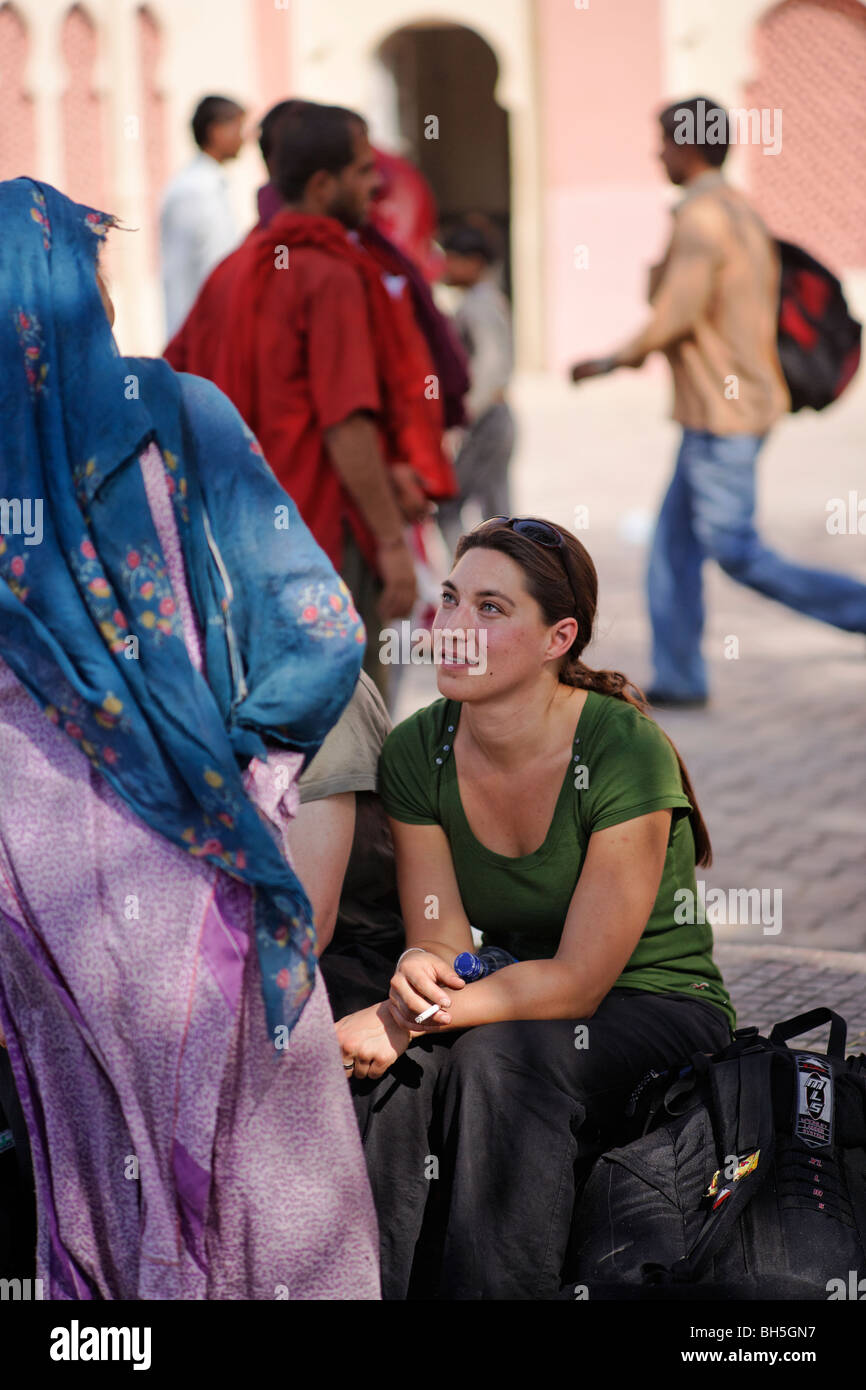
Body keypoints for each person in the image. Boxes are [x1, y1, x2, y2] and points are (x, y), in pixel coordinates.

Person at [0, 177, 380, 1300]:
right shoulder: (173, 412)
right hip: (192, 843)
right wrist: (258, 768)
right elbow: (318, 623)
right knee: (267, 1157)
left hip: (27, 879)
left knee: (92, 1149)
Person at [334, 515, 734, 1299]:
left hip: (654, 999)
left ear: (559, 638)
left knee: (498, 1060)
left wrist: (401, 1018)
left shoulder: (622, 747)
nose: (452, 627)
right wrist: (417, 973)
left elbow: (583, 982)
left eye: (490, 609)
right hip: (518, 982)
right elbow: (445, 942)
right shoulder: (419, 748)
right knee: (396, 1074)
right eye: (449, 599)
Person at [570, 96, 866, 708]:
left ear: (685, 147)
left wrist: (608, 361)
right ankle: (680, 675)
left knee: (736, 551)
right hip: (725, 407)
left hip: (724, 415)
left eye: (661, 143)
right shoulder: (738, 208)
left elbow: (675, 313)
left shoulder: (703, 217)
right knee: (673, 545)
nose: (656, 154)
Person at [164, 101, 422, 703]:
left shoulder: (232, 270)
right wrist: (392, 545)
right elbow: (347, 424)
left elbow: (172, 380)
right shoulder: (329, 274)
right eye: (361, 171)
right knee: (349, 725)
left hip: (242, 542)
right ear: (323, 184)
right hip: (322, 538)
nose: (374, 182)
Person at [435, 221, 515, 558]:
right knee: (498, 514)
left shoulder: (477, 305)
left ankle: (469, 573)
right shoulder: (483, 300)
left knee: (450, 506)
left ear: (474, 262)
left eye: (451, 259)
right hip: (495, 418)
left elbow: (492, 365)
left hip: (487, 419)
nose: (444, 268)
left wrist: (463, 413)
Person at [159, 94, 245, 338]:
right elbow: (185, 274)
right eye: (238, 127)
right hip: (201, 333)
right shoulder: (193, 190)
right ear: (216, 131)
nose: (243, 138)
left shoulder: (211, 184)